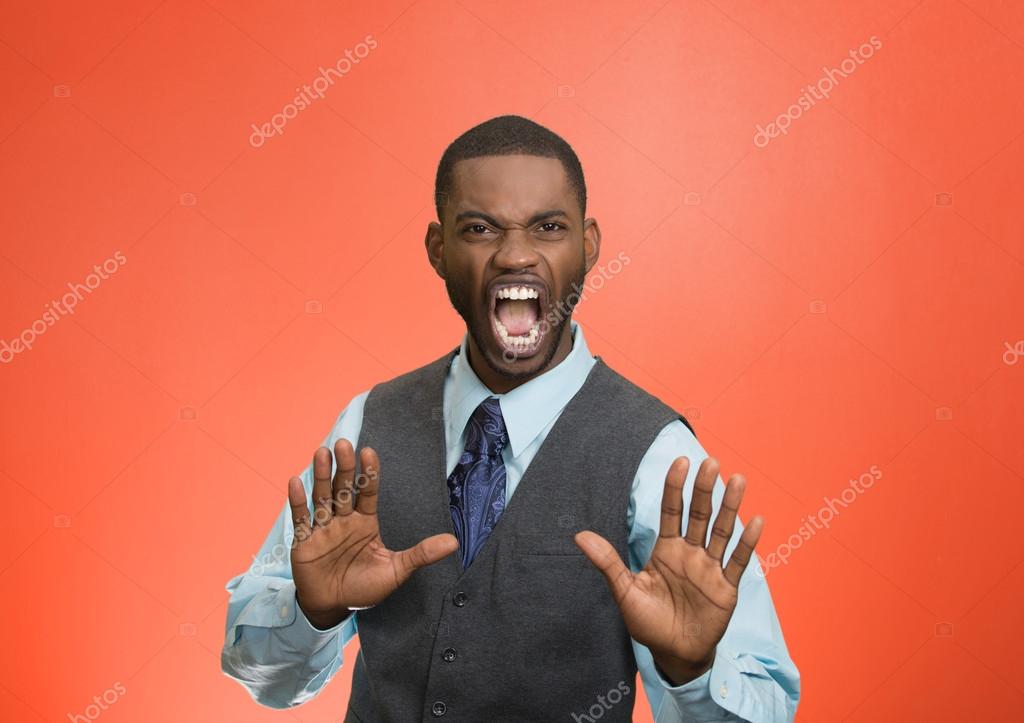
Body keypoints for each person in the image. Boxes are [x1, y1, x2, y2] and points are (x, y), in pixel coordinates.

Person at [221, 115, 800, 722]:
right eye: (480, 228)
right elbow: (262, 675)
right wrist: (312, 616)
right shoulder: (366, 424)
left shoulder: (656, 453)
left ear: (590, 246)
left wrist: (692, 672)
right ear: (439, 250)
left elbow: (766, 706)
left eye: (549, 227)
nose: (516, 254)